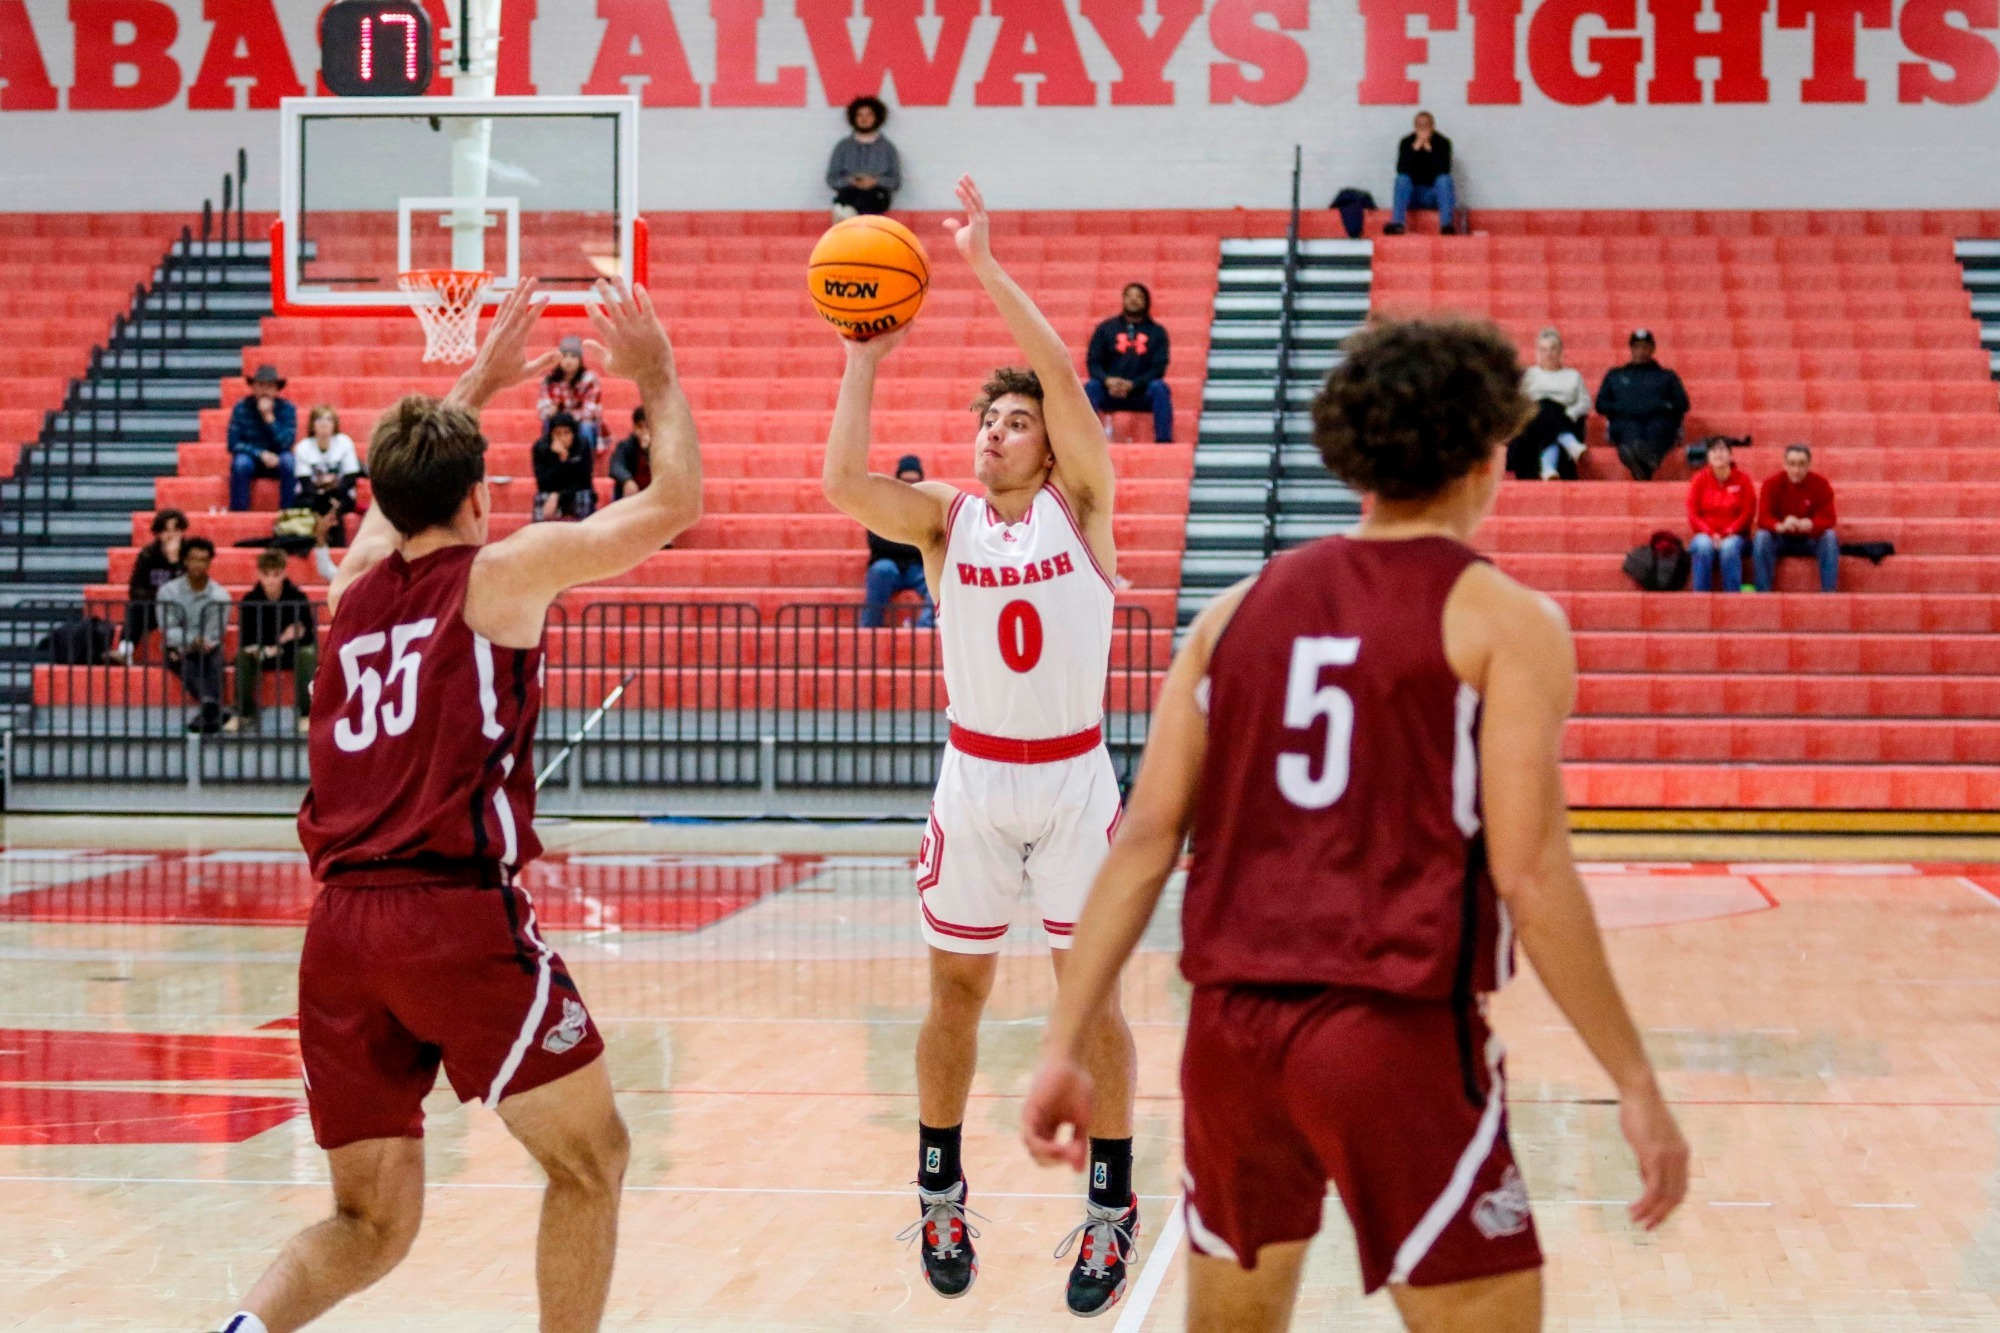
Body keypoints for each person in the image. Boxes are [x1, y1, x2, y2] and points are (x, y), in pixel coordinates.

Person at [1021, 317, 1690, 1333]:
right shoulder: (1504, 620)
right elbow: (1531, 872)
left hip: (1229, 1039)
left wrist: (1063, 1040)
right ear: (1485, 451)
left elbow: (1147, 836)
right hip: (1390, 1032)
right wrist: (1633, 1081)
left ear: (1353, 452)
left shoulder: (1231, 613)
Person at [206, 278, 702, 1333]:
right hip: (450, 914)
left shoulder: (350, 586)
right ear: (478, 495)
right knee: (592, 1157)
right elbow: (674, 507)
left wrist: (472, 381)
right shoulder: (500, 574)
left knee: (370, 1222)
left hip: (338, 931)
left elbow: (399, 497)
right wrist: (654, 374)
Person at [821, 176, 1137, 1317]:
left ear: (1046, 442)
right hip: (972, 781)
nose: (992, 433)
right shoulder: (943, 521)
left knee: (1089, 1003)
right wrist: (865, 351)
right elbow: (838, 482)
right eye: (983, 422)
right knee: (952, 993)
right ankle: (939, 1183)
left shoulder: (1083, 501)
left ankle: (1110, 1203)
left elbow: (1057, 375)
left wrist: (985, 266)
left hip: (1071, 782)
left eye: (1010, 422)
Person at [227, 548, 317, 735]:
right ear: (259, 574)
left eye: (276, 574)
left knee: (307, 654)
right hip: (263, 651)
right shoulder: (250, 600)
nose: (271, 580)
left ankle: (307, 714)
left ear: (284, 572)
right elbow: (247, 638)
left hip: (292, 652)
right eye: (266, 574)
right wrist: (280, 639)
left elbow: (306, 636)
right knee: (243, 657)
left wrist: (279, 644)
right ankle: (244, 713)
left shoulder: (297, 598)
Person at [157, 536, 233, 734]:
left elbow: (214, 633)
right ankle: (213, 706)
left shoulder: (220, 596)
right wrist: (190, 642)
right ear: (185, 561)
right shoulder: (168, 591)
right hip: (178, 647)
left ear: (209, 562)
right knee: (176, 655)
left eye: (203, 559)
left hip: (207, 647)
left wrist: (200, 643)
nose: (198, 564)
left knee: (215, 656)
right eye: (194, 559)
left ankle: (208, 709)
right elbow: (168, 627)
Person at [1595, 330, 1690, 482]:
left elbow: (1683, 404)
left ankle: (1639, 462)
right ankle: (1648, 461)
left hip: (1659, 421)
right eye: (1637, 347)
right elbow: (1600, 405)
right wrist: (1623, 407)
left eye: (1645, 347)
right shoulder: (1616, 375)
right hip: (1626, 421)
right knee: (1630, 429)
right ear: (1631, 349)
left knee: (1657, 427)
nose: (1641, 351)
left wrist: (1660, 406)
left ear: (1652, 349)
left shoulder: (1667, 376)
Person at [1084, 284, 1173, 444]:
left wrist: (1133, 385)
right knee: (1091, 387)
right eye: (1129, 296)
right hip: (1109, 391)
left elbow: (1159, 368)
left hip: (1141, 393)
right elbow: (1093, 362)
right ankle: (1084, 441)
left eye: (1138, 296)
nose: (1133, 300)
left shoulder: (1157, 332)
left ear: (1146, 301)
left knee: (1160, 388)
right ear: (1123, 299)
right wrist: (1107, 381)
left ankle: (1164, 441)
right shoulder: (1105, 329)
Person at [860, 454, 936, 628]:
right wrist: (915, 540)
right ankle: (868, 630)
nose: (910, 486)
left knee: (940, 580)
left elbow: (933, 541)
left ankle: (923, 630)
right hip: (888, 564)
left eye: (914, 482)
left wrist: (896, 537)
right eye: (906, 481)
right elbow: (877, 543)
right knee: (882, 570)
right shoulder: (881, 506)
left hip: (918, 568)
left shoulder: (929, 507)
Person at [1754, 444, 1840, 593]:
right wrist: (1779, 525)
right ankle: (1763, 592)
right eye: (1792, 464)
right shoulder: (1771, 484)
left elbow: (1830, 518)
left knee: (1830, 537)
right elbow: (1763, 517)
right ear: (1784, 464)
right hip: (1780, 537)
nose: (1796, 470)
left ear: (1809, 465)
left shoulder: (1821, 484)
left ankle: (1829, 593)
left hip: (1810, 538)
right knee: (1761, 537)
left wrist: (1812, 523)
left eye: (1801, 465)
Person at [1510, 327, 1590, 480]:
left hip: (1565, 419)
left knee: (1551, 412)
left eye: (1553, 349)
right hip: (1533, 423)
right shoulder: (1529, 375)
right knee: (1544, 404)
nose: (1549, 354)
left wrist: (1569, 414)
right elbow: (1518, 402)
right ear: (1538, 353)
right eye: (1544, 349)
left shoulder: (1572, 375)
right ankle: (1570, 444)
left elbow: (1585, 402)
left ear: (1560, 352)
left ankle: (1549, 468)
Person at [113, 508, 187, 664]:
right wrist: (161, 597)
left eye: (175, 530)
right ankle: (124, 651)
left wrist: (174, 562)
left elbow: (188, 590)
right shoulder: (148, 555)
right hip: (153, 607)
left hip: (180, 609)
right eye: (166, 530)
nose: (171, 535)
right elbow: (135, 590)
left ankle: (178, 652)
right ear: (158, 533)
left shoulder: (189, 554)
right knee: (135, 608)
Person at [1686, 436, 1757, 592]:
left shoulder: (1743, 480)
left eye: (1722, 449)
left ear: (1730, 455)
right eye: (1714, 450)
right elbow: (1693, 514)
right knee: (1702, 546)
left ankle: (1732, 599)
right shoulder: (1699, 479)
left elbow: (1748, 513)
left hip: (1736, 535)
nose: (1718, 454)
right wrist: (1711, 533)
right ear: (1708, 456)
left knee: (1729, 548)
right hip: (1707, 533)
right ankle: (1701, 599)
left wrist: (1728, 532)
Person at [228, 364, 299, 512]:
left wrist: (269, 418)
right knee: (240, 463)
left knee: (289, 462)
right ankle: (239, 515)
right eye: (260, 385)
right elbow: (233, 443)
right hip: (251, 458)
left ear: (276, 390)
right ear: (253, 387)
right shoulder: (241, 407)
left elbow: (287, 442)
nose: (264, 391)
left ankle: (288, 513)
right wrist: (260, 454)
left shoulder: (288, 409)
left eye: (269, 386)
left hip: (278, 457)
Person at [295, 405, 363, 544]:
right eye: (319, 419)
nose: (324, 424)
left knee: (335, 507)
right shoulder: (303, 447)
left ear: (335, 424)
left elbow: (350, 478)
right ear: (312, 425)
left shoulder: (344, 443)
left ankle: (338, 549)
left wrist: (333, 496)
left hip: (340, 495)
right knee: (319, 505)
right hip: (312, 495)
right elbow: (305, 483)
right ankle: (310, 546)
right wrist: (322, 496)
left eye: (329, 419)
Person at [827, 95, 902, 220]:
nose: (864, 119)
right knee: (847, 198)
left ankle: (848, 216)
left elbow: (895, 181)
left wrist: (875, 181)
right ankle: (847, 215)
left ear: (877, 118)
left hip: (877, 196)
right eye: (860, 115)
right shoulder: (843, 147)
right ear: (853, 118)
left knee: (867, 198)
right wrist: (850, 180)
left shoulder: (888, 148)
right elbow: (831, 179)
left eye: (869, 115)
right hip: (849, 193)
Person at [1385, 111, 1456, 236]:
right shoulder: (1406, 142)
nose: (1423, 129)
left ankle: (1446, 226)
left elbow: (1445, 169)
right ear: (1415, 127)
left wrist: (1429, 149)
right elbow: (1401, 169)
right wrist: (1415, 148)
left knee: (1444, 180)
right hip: (1412, 195)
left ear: (1433, 126)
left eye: (1426, 125)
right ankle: (1397, 223)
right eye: (1420, 125)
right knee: (1401, 179)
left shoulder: (1443, 143)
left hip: (1433, 196)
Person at [538, 335, 603, 447]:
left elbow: (589, 412)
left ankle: (585, 462)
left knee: (586, 428)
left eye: (573, 356)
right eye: (564, 356)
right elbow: (544, 412)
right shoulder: (549, 381)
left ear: (580, 360)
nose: (568, 361)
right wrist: (556, 416)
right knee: (548, 426)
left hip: (581, 423)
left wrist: (565, 418)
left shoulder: (590, 380)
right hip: (557, 423)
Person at [533, 412, 597, 521]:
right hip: (550, 492)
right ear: (551, 434)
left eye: (567, 433)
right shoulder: (541, 448)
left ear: (573, 434)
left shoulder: (582, 446)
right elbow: (542, 482)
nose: (562, 438)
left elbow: (584, 481)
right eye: (557, 433)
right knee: (542, 498)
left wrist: (558, 495)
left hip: (574, 491)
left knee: (584, 496)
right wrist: (561, 461)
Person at [608, 406, 651, 500]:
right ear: (634, 428)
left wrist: (647, 451)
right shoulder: (625, 445)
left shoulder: (662, 448)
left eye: (647, 427)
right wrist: (627, 480)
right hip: (631, 497)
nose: (644, 431)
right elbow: (615, 466)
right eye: (640, 427)